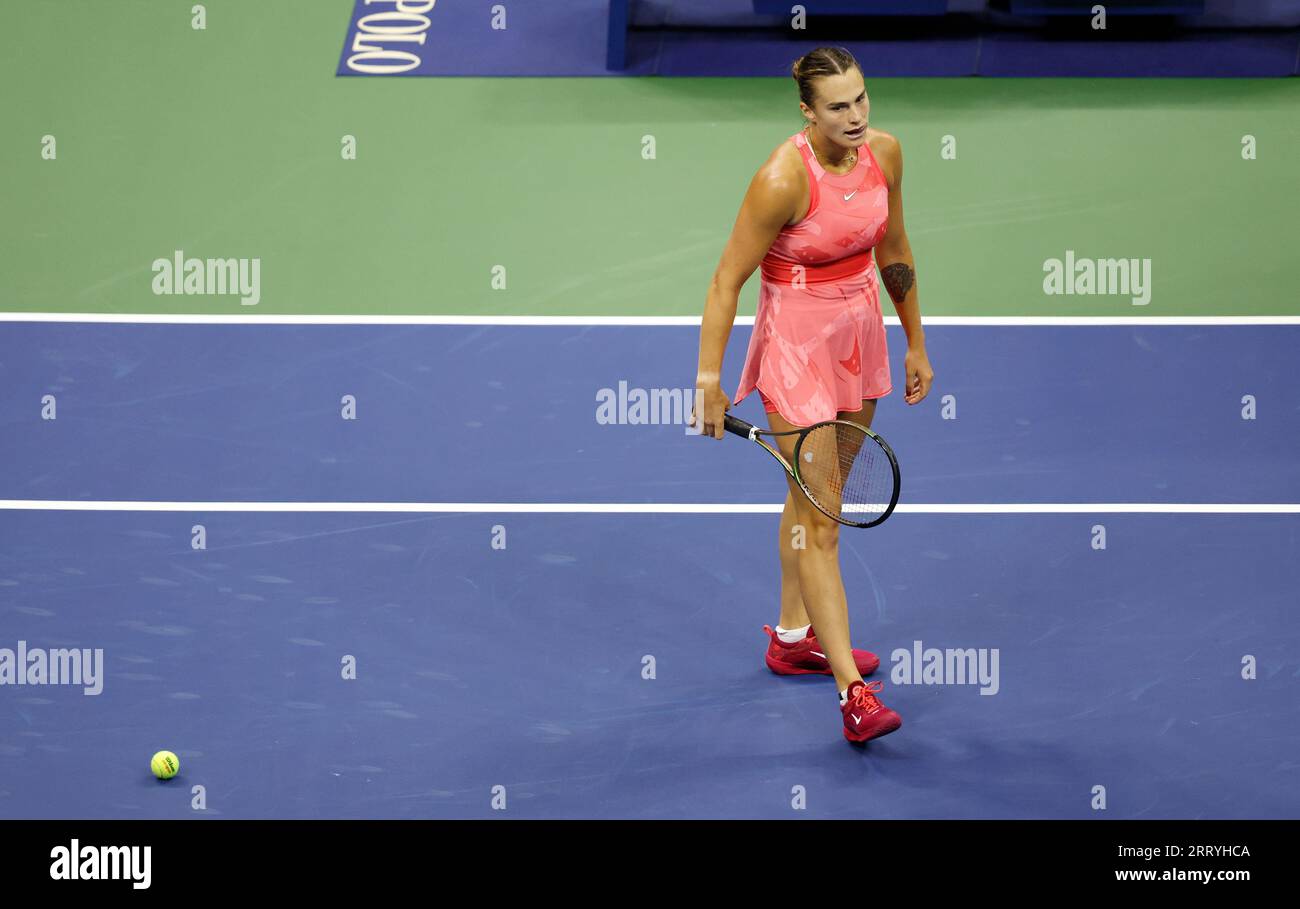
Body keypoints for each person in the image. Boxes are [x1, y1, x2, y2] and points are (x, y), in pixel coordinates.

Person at [691, 46, 934, 744]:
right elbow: (725, 281)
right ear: (807, 110)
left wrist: (916, 342)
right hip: (796, 344)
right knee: (825, 518)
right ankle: (852, 697)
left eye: (861, 99)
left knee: (811, 495)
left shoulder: (885, 154)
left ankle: (794, 635)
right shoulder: (780, 179)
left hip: (858, 331)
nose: (856, 116)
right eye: (838, 106)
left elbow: (896, 251)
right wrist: (710, 379)